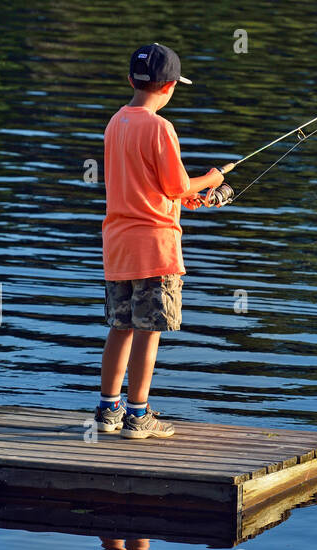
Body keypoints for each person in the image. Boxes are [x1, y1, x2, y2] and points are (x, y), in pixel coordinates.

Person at [95, 43, 224, 439]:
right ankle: (138, 415)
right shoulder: (161, 127)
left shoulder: (116, 122)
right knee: (149, 330)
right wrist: (212, 180)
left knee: (120, 327)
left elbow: (150, 186)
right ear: (169, 87)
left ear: (131, 80)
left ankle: (107, 410)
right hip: (155, 247)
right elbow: (176, 184)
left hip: (118, 245)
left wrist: (185, 196)